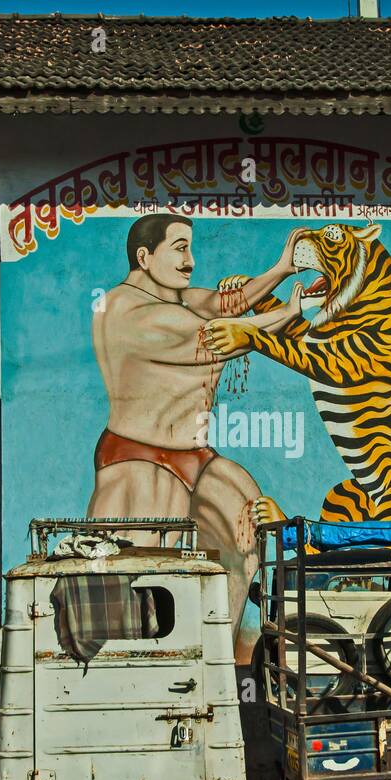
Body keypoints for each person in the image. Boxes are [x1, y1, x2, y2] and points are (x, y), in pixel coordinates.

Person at [87, 214, 305, 660]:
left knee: (243, 534)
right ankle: (139, 677)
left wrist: (282, 269)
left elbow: (227, 303)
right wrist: (288, 314)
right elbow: (216, 335)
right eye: (180, 248)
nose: (191, 260)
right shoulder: (123, 309)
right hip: (139, 458)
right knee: (146, 573)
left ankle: (214, 665)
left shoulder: (175, 297)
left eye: (191, 247)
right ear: (145, 257)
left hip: (196, 456)